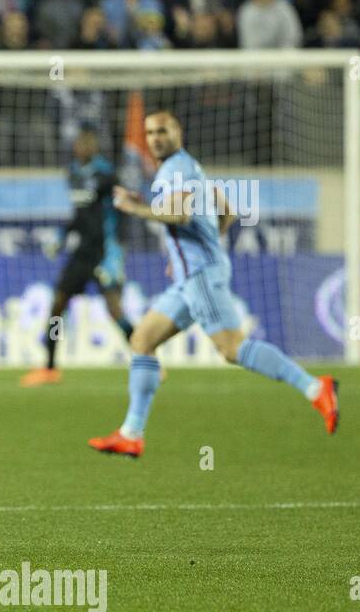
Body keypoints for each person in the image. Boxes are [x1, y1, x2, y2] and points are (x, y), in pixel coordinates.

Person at [87, 111, 338, 457]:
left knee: (232, 349)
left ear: (178, 132)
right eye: (149, 133)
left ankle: (315, 388)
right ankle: (131, 433)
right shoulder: (191, 167)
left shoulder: (175, 169)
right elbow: (228, 210)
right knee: (142, 339)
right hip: (193, 273)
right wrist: (195, 251)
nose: (155, 138)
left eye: (162, 131)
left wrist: (135, 207)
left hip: (200, 275)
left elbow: (179, 215)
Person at [21, 130, 131, 386]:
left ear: (95, 145)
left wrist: (115, 255)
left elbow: (122, 214)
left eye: (88, 142)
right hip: (81, 253)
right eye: (80, 142)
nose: (83, 146)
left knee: (115, 311)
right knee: (57, 307)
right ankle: (49, 367)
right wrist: (62, 236)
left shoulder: (107, 174)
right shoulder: (72, 173)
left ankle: (148, 362)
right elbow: (80, 215)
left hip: (103, 252)